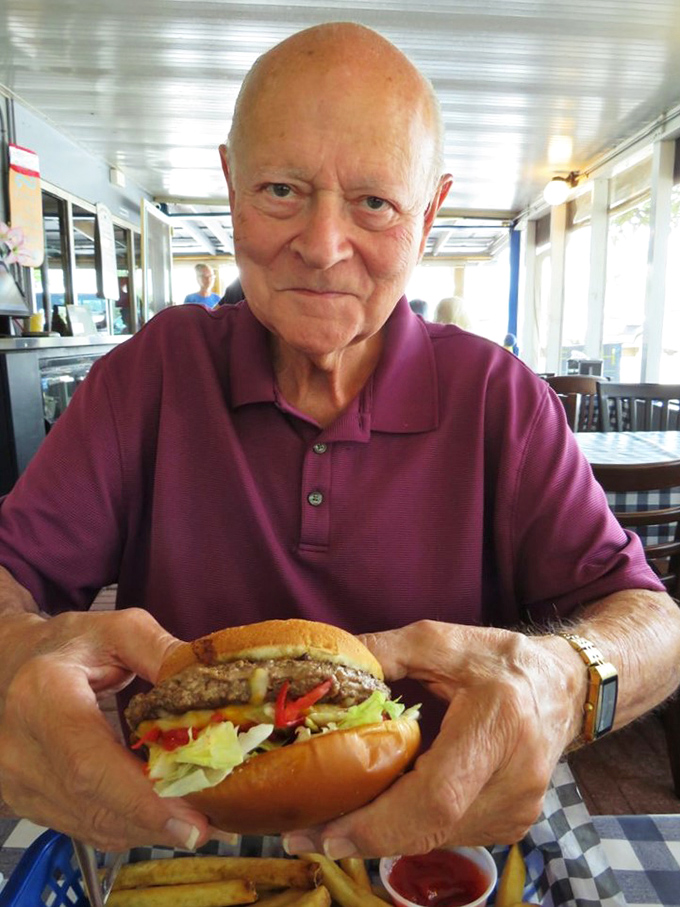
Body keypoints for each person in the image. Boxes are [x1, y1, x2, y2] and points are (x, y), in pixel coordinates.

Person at [0, 22, 679, 861]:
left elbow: (657, 623)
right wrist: (17, 652)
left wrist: (567, 680)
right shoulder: (150, 375)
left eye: (375, 203)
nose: (322, 248)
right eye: (281, 189)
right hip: (178, 834)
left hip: (438, 849)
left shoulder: (500, 397)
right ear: (230, 184)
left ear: (428, 214)